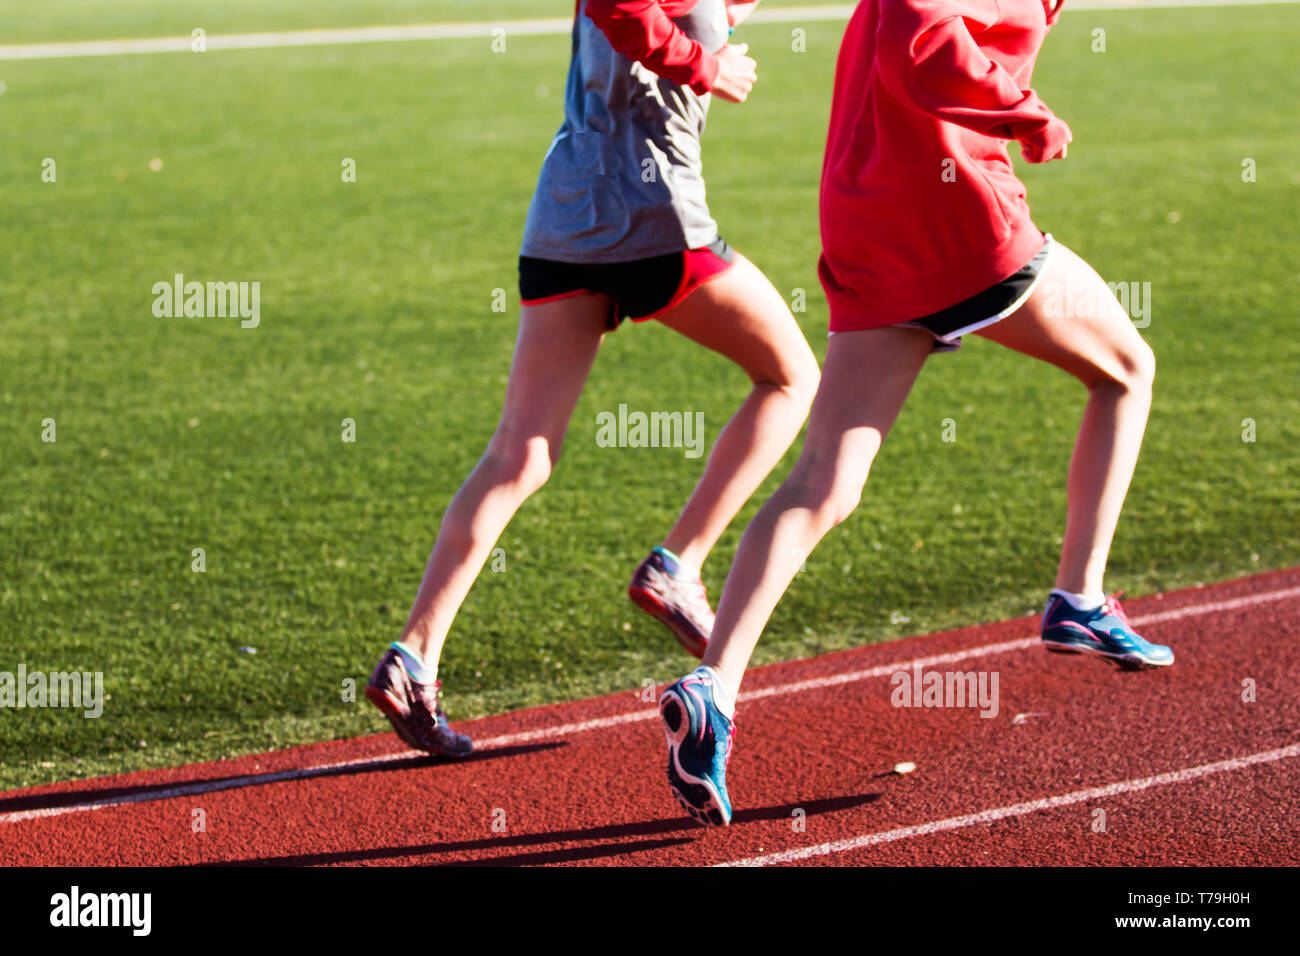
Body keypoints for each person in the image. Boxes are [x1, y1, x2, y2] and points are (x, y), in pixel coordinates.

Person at [658, 0, 1169, 828]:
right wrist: (1026, 115)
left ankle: (715, 687)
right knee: (1126, 369)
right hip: (960, 221)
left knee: (824, 482)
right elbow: (916, 43)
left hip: (865, 230)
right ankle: (1079, 596)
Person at [365, 0, 819, 757]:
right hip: (650, 222)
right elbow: (622, 9)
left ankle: (414, 658)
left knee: (521, 454)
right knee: (790, 376)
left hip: (565, 218)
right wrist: (707, 65)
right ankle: (681, 564)